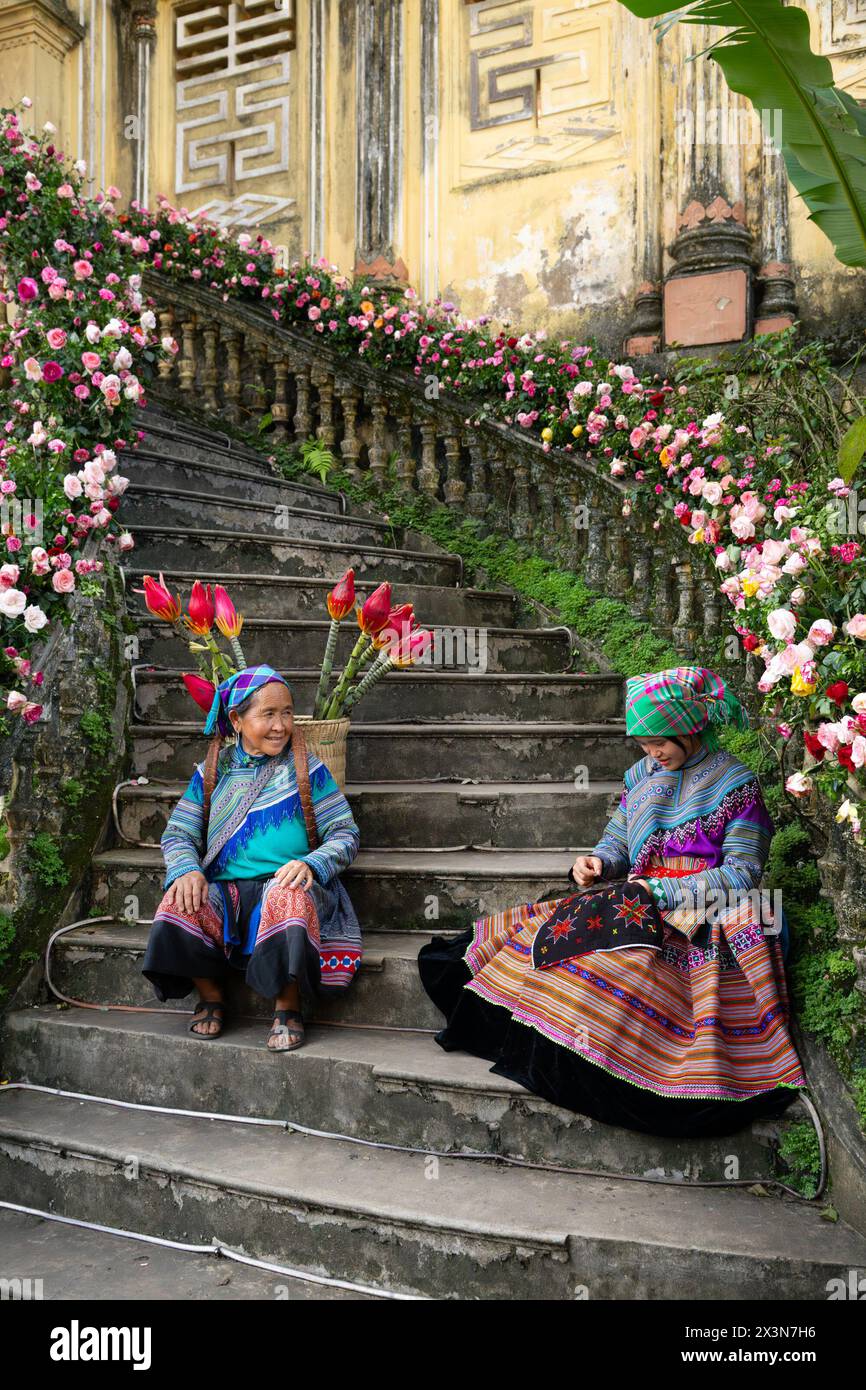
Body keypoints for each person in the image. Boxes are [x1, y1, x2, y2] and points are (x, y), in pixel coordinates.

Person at [417, 667, 806, 1137]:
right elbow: (619, 840)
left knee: (625, 968)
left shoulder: (736, 784)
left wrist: (660, 891)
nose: (651, 753)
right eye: (643, 744)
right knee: (555, 944)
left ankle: (633, 1058)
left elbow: (742, 873)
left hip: (703, 907)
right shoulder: (641, 776)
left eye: (658, 742)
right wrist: (598, 861)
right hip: (638, 899)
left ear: (689, 727)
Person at [142, 664, 361, 1051]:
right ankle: (211, 996)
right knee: (178, 900)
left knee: (285, 896)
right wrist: (186, 870)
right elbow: (178, 833)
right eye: (268, 714)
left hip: (288, 885)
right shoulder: (212, 772)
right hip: (226, 893)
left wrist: (310, 864)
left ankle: (288, 1005)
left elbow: (345, 833)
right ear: (236, 720)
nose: (280, 725)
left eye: (287, 713)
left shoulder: (307, 769)